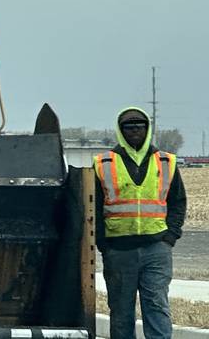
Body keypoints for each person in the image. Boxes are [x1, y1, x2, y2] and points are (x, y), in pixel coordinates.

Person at [95, 107, 186, 339]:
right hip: (118, 251)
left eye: (139, 126)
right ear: (120, 130)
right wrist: (104, 243)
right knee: (121, 312)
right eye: (128, 126)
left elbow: (177, 202)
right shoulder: (103, 163)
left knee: (156, 306)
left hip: (156, 249)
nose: (134, 130)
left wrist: (170, 237)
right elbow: (93, 207)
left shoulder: (166, 162)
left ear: (147, 129)